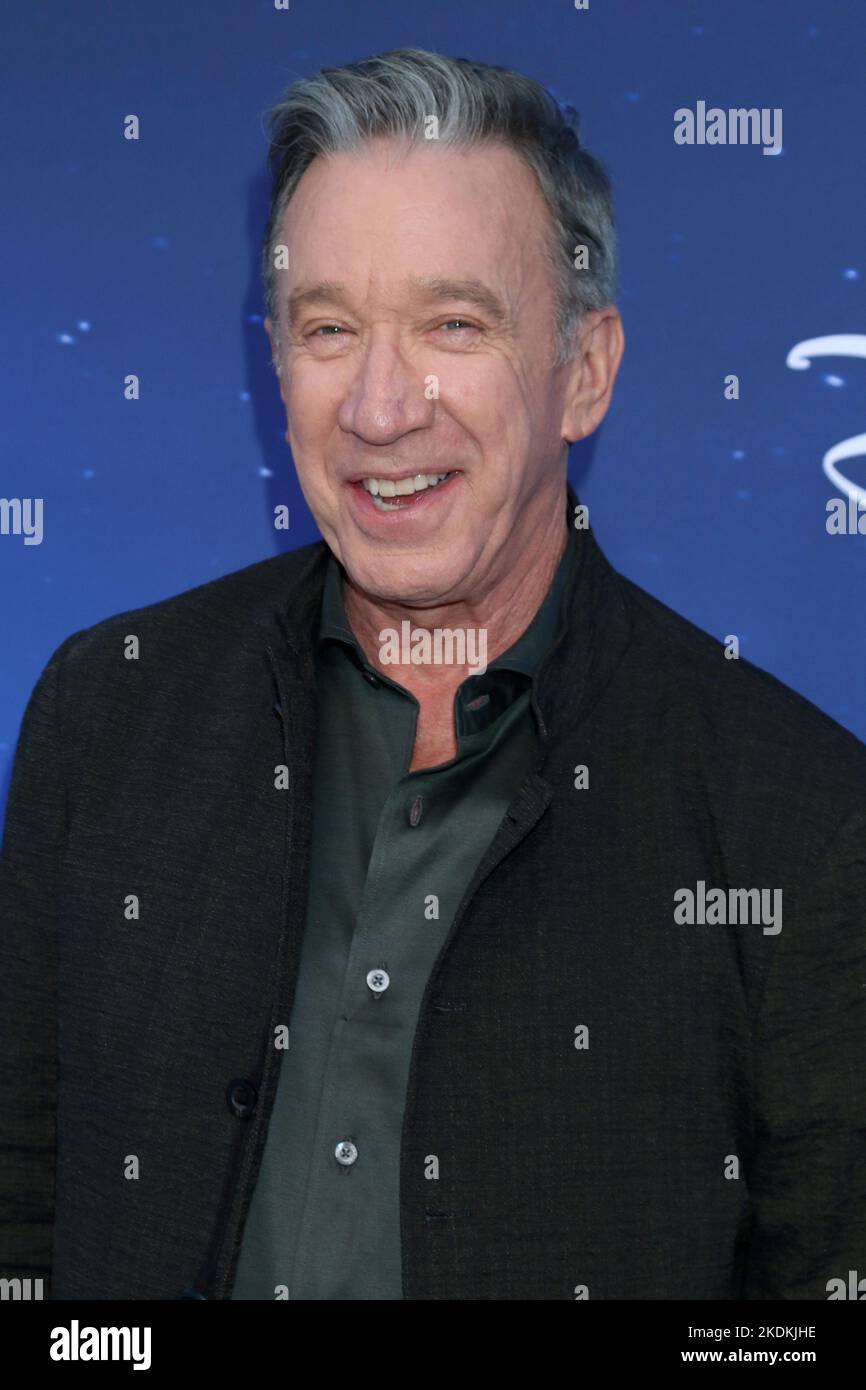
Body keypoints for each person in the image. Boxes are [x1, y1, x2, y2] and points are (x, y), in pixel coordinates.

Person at [2, 47, 864, 1302]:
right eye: (328, 328)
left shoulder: (798, 820)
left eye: (453, 325)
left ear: (584, 370)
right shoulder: (109, 709)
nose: (380, 406)